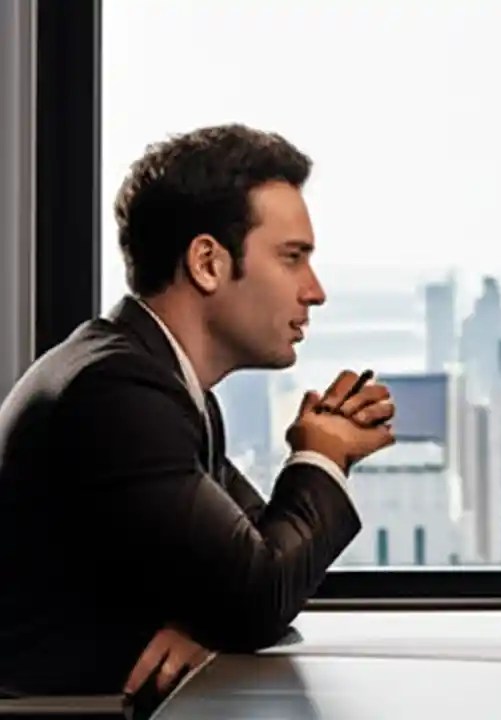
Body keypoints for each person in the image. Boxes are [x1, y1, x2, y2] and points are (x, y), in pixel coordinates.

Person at [0, 124, 397, 696]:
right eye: (292, 259)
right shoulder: (117, 391)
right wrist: (322, 454)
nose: (315, 291)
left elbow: (263, 569)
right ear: (207, 262)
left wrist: (215, 628)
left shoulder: (168, 387)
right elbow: (260, 594)